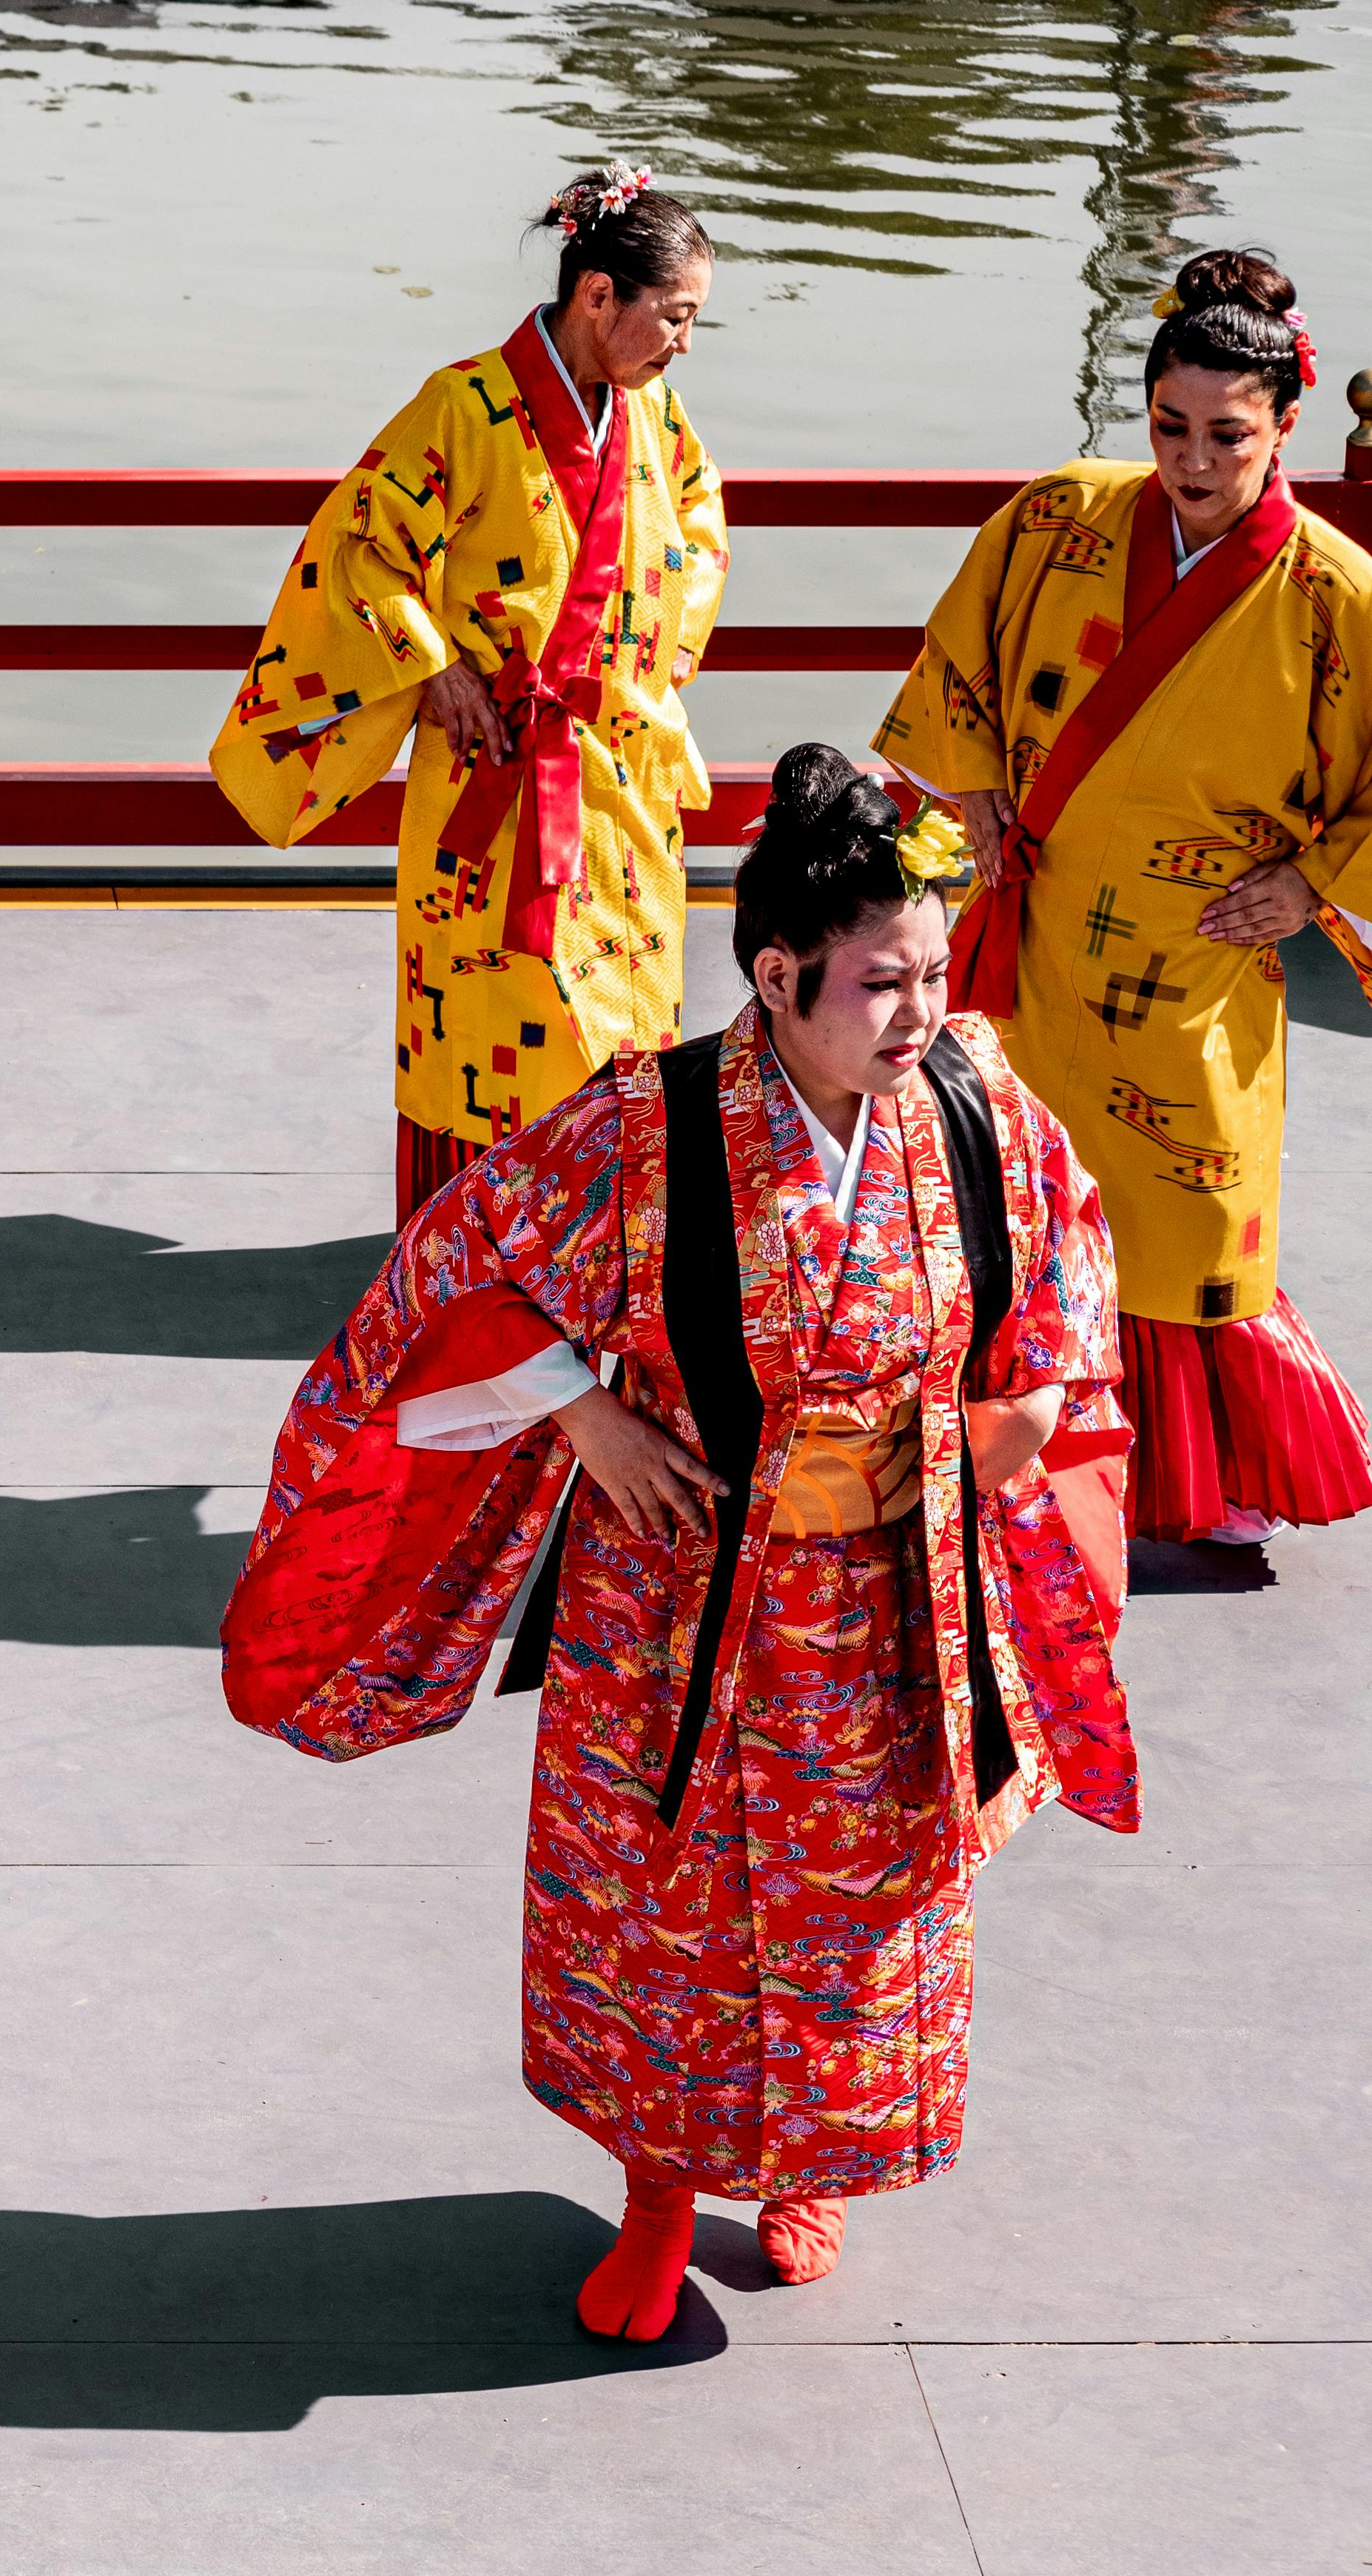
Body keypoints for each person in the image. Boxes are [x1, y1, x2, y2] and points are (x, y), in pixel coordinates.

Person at [219, 746, 1133, 2342]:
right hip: (684, 1595)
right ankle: (653, 2196)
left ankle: (808, 2164)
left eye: (930, 972)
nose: (915, 1012)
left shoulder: (974, 1097)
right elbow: (459, 1265)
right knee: (668, 1910)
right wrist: (580, 1409)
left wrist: (1033, 1401)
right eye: (878, 981)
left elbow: (1064, 1250)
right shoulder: (649, 1124)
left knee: (862, 1915)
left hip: (886, 1602)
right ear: (777, 976)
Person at [874, 246, 1372, 1548]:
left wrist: (1314, 881)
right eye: (1168, 428)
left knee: (1185, 1206)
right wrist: (977, 786)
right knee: (1012, 1187)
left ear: (1286, 430)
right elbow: (959, 660)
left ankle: (1189, 1479)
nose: (1192, 461)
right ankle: (998, 1435)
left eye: (1227, 435)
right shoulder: (1056, 518)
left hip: (1195, 950)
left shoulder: (1340, 601)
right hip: (1034, 924)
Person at [211, 167, 730, 1223]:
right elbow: (363, 552)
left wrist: (634, 677)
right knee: (485, 1017)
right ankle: (467, 1252)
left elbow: (698, 548)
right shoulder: (463, 407)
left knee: (625, 1012)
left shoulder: (660, 421)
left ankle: (599, 1249)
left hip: (614, 773)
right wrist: (435, 666)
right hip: (492, 768)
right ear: (597, 297)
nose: (683, 344)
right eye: (672, 318)